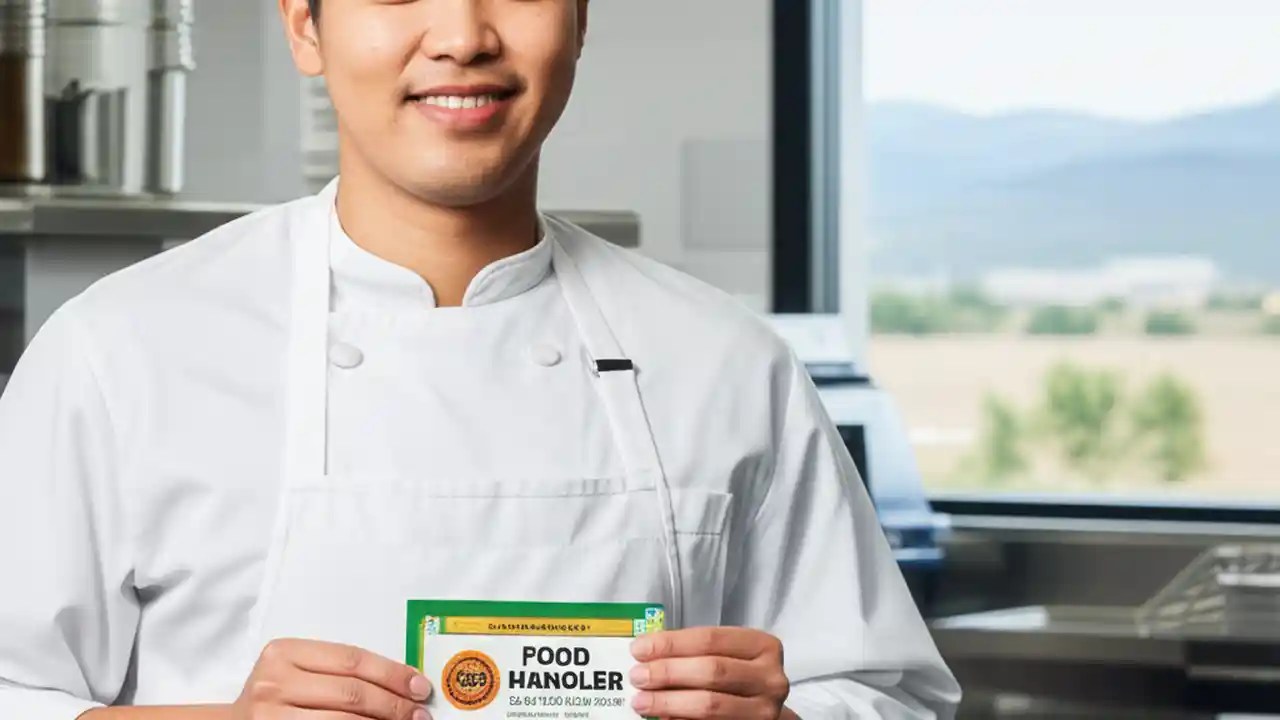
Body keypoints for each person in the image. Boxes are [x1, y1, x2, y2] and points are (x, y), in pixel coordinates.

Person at [0, 1, 961, 718]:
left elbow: (889, 693)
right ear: (305, 26)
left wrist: (785, 718)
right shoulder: (120, 350)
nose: (462, 34)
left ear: (581, 21)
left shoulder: (726, 362)